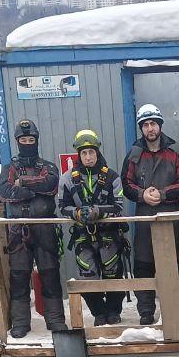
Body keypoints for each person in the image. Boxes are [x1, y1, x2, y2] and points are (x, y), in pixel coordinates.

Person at [120, 103, 179, 324]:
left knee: (175, 262)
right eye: (145, 125)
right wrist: (142, 194)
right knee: (143, 264)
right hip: (144, 216)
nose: (150, 128)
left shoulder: (174, 151)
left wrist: (163, 194)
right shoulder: (134, 154)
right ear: (141, 128)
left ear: (160, 125)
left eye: (153, 123)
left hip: (171, 214)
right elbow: (126, 184)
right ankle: (146, 312)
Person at [0, 118, 67, 338]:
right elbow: (5, 192)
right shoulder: (9, 168)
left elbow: (51, 185)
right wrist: (30, 189)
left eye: (31, 140)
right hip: (18, 230)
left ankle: (55, 319)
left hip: (44, 226)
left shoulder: (48, 166)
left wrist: (23, 183)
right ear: (17, 141)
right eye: (23, 140)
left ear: (36, 140)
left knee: (50, 273)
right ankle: (20, 322)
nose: (27, 143)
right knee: (19, 276)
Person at [59, 129, 129, 325]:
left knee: (113, 273)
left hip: (109, 234)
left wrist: (98, 211)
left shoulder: (112, 176)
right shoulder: (67, 178)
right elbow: (63, 207)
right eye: (84, 153)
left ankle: (113, 311)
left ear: (97, 152)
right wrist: (77, 213)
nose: (88, 157)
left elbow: (118, 206)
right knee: (87, 276)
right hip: (83, 235)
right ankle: (98, 313)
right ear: (79, 154)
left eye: (91, 152)